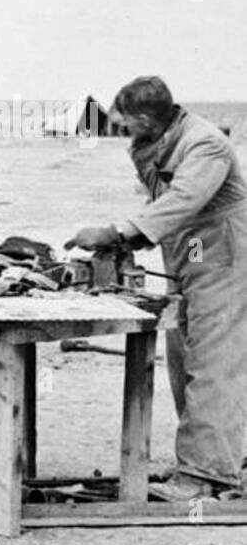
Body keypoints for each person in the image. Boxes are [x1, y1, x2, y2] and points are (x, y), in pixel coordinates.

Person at [67, 77, 247, 502]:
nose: (122, 130)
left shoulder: (204, 144)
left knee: (213, 361)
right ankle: (214, 458)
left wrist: (118, 233)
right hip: (195, 254)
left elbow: (184, 199)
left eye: (126, 123)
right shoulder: (163, 137)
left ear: (146, 118)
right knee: (185, 356)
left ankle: (207, 473)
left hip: (220, 255)